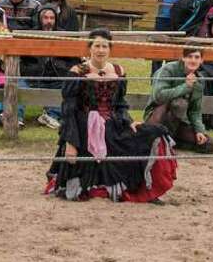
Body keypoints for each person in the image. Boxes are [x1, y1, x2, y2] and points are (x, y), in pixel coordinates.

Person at [45, 29, 175, 202]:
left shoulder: (119, 71)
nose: (100, 50)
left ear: (110, 49)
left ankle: (145, 188)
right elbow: (69, 109)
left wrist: (129, 121)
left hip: (114, 122)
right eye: (97, 46)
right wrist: (70, 142)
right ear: (89, 48)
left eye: (104, 46)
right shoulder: (77, 71)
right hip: (85, 125)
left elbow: (120, 103)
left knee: (154, 132)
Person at [149, 46, 213, 154]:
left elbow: (195, 110)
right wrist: (185, 87)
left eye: (197, 57)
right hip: (158, 116)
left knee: (208, 144)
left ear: (201, 60)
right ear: (183, 58)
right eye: (189, 56)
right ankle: (158, 140)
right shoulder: (168, 69)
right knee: (180, 104)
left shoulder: (199, 79)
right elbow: (158, 96)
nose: (193, 60)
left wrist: (199, 130)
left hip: (180, 121)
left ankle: (170, 142)